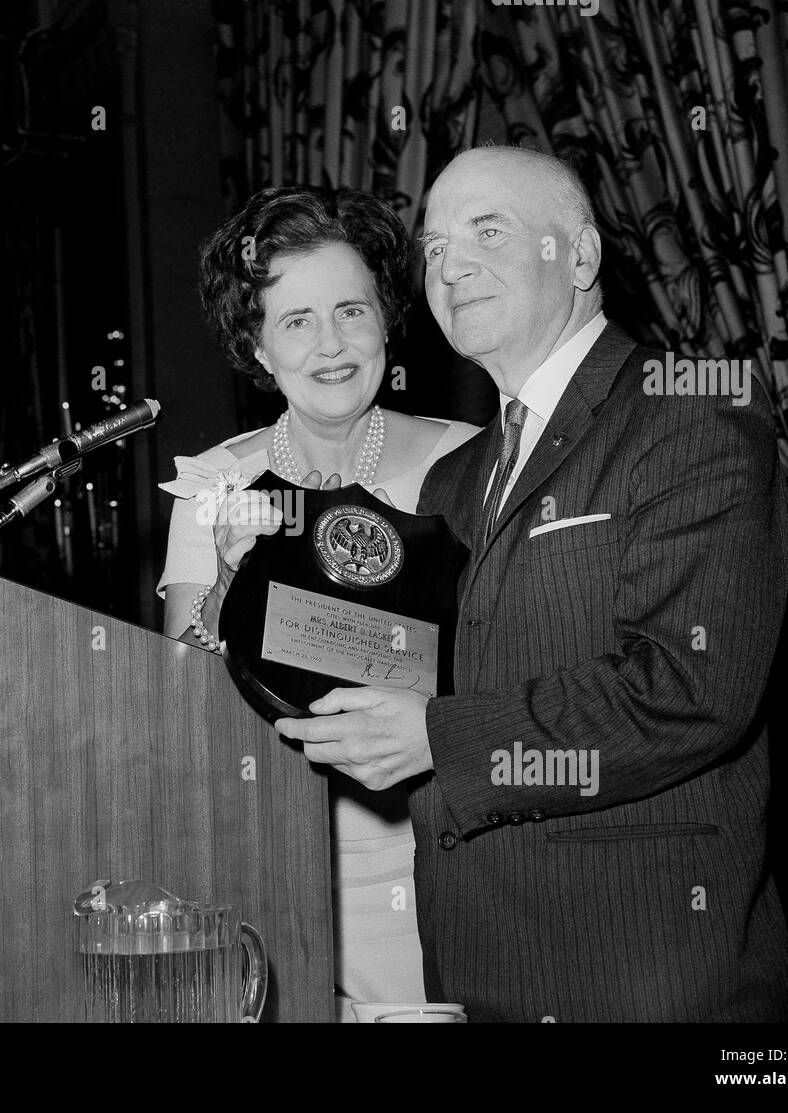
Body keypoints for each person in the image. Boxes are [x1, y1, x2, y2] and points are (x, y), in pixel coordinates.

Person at [276, 146, 788, 1021]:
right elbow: (420, 676)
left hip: (646, 973)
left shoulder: (693, 414)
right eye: (435, 248)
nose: (452, 265)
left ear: (582, 257)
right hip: (474, 970)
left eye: (488, 231)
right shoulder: (455, 477)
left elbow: (692, 690)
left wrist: (443, 736)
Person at [157, 185, 481, 1019]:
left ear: (386, 321)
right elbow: (182, 705)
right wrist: (230, 579)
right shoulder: (215, 485)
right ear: (257, 347)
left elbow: (513, 666)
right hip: (277, 869)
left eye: (352, 311)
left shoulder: (473, 465)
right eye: (296, 320)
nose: (330, 345)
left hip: (452, 854)